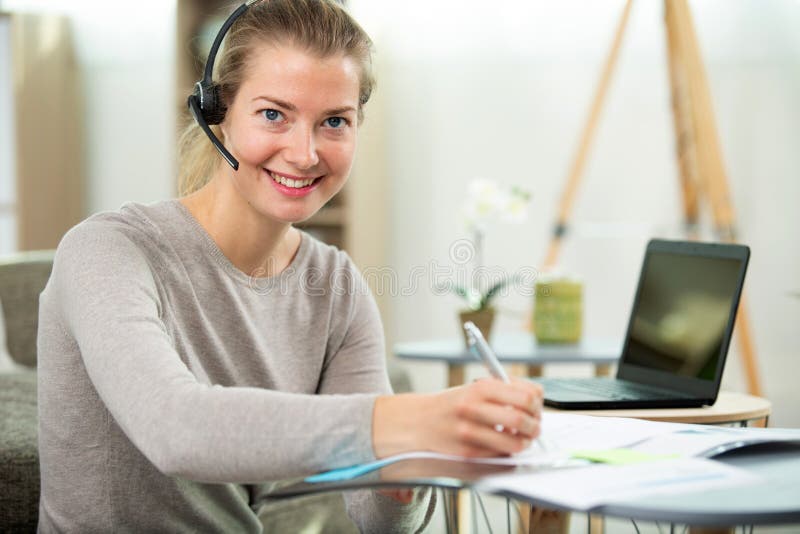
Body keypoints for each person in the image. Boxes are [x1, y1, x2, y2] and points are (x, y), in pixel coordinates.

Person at [36, 0, 543, 532]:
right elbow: (175, 429)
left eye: (334, 122)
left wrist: (406, 465)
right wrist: (406, 419)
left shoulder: (337, 287)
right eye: (273, 114)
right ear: (218, 115)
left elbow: (380, 520)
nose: (304, 154)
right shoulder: (106, 252)